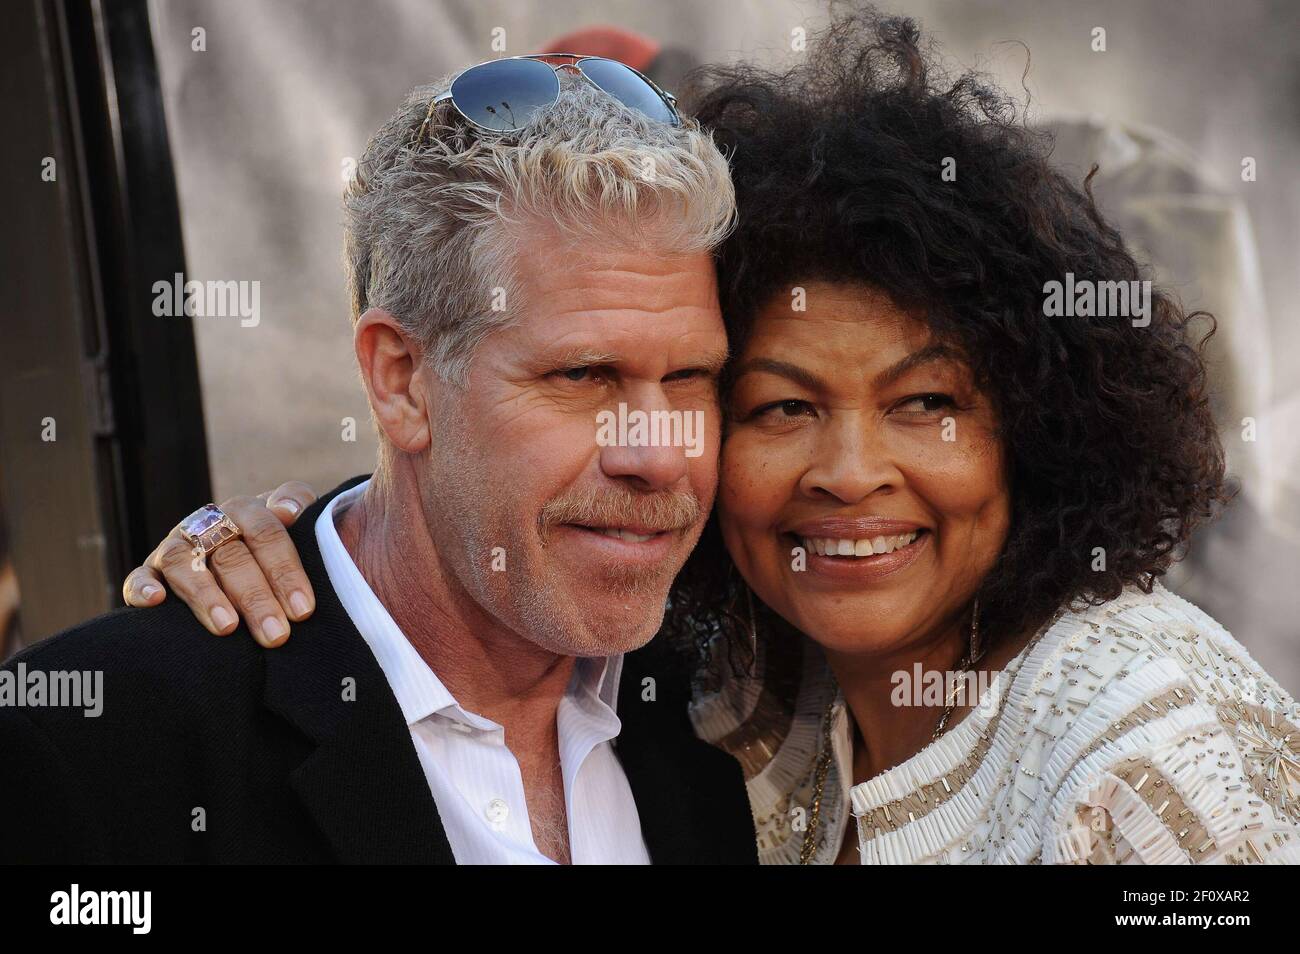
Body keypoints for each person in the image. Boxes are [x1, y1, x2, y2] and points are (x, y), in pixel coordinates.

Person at [125, 10, 1300, 865]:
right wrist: (297, 542)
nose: (847, 473)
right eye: (779, 406)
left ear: (1037, 428)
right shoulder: (743, 701)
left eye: (925, 405)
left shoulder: (1149, 740)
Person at [0, 58, 759, 864]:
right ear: (400, 380)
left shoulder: (732, 701)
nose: (657, 456)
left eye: (689, 378)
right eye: (581, 375)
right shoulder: (97, 758)